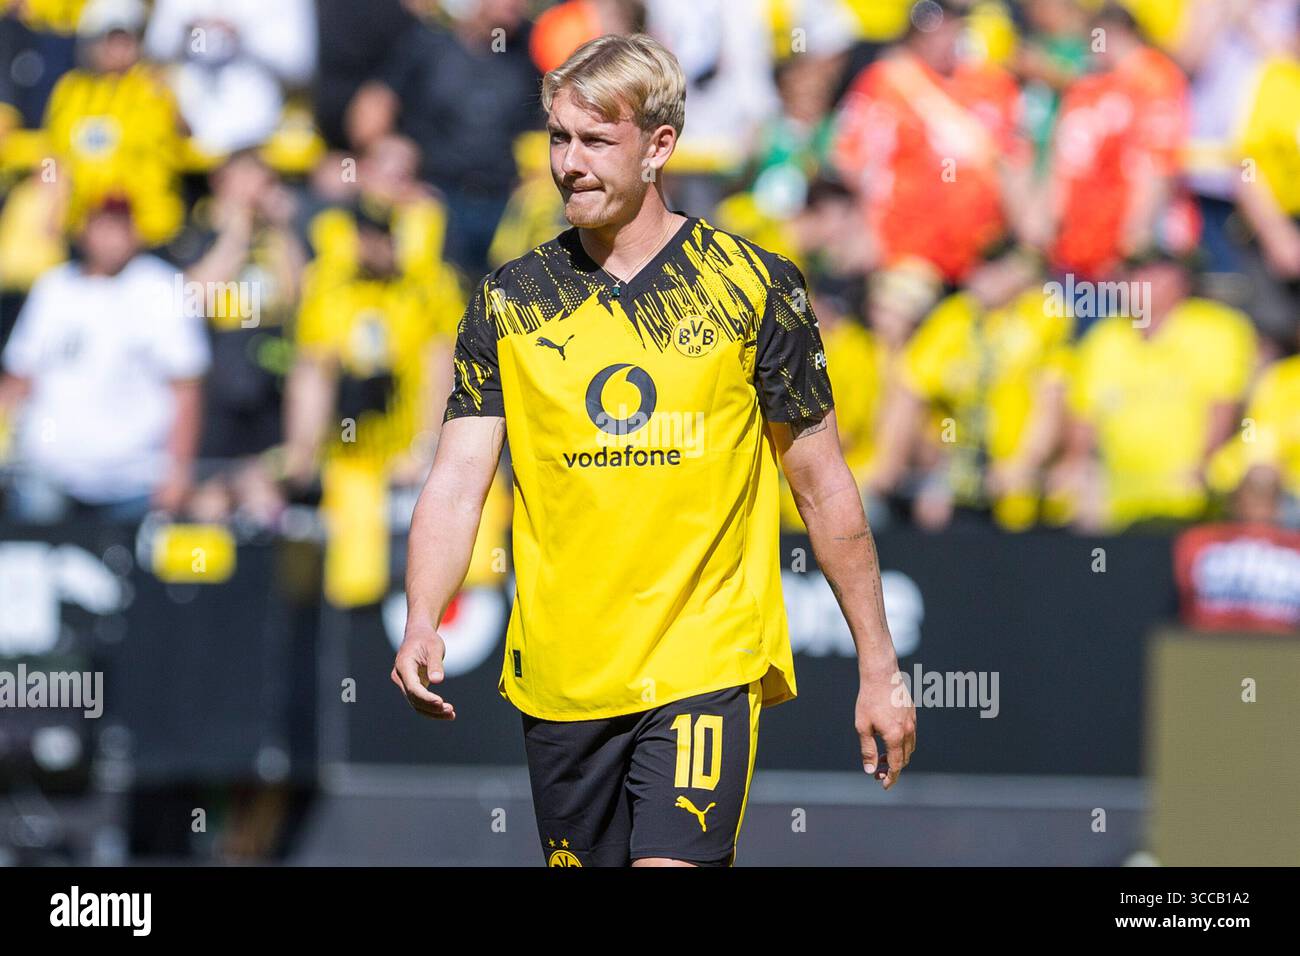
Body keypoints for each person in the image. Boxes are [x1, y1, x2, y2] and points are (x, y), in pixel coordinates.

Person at [391, 33, 915, 869]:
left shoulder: (754, 286)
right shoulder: (509, 300)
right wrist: (423, 615)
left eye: (596, 140)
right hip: (564, 673)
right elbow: (457, 483)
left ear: (659, 146)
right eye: (559, 138)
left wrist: (879, 667)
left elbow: (821, 486)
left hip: (703, 657)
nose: (570, 163)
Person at [0, 195, 209, 523]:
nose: (111, 238)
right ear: (83, 229)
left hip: (133, 483)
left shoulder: (161, 289)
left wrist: (178, 472)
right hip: (48, 477)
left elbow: (186, 389)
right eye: (102, 225)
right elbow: (19, 379)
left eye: (120, 226)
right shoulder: (53, 287)